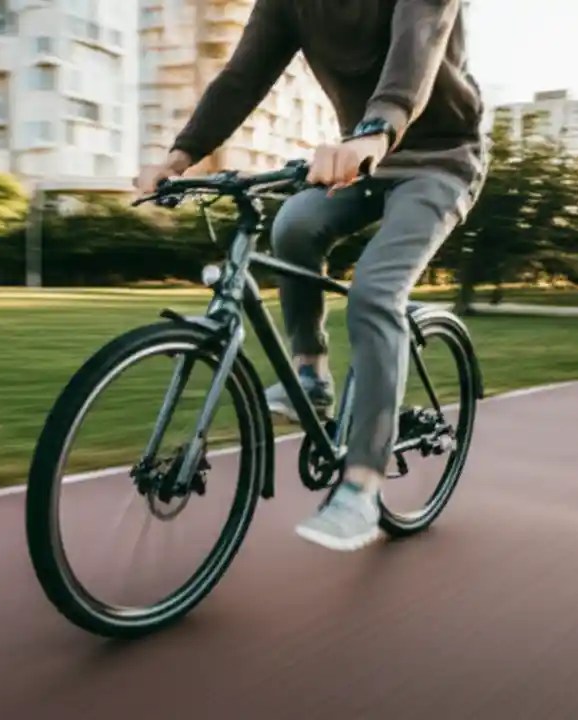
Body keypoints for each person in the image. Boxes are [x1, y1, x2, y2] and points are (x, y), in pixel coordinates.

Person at [136, 0, 485, 552]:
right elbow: (241, 76)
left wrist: (373, 131)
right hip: (362, 159)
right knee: (293, 224)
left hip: (440, 159)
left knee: (374, 292)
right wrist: (178, 157)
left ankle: (364, 484)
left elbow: (417, 43)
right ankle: (311, 373)